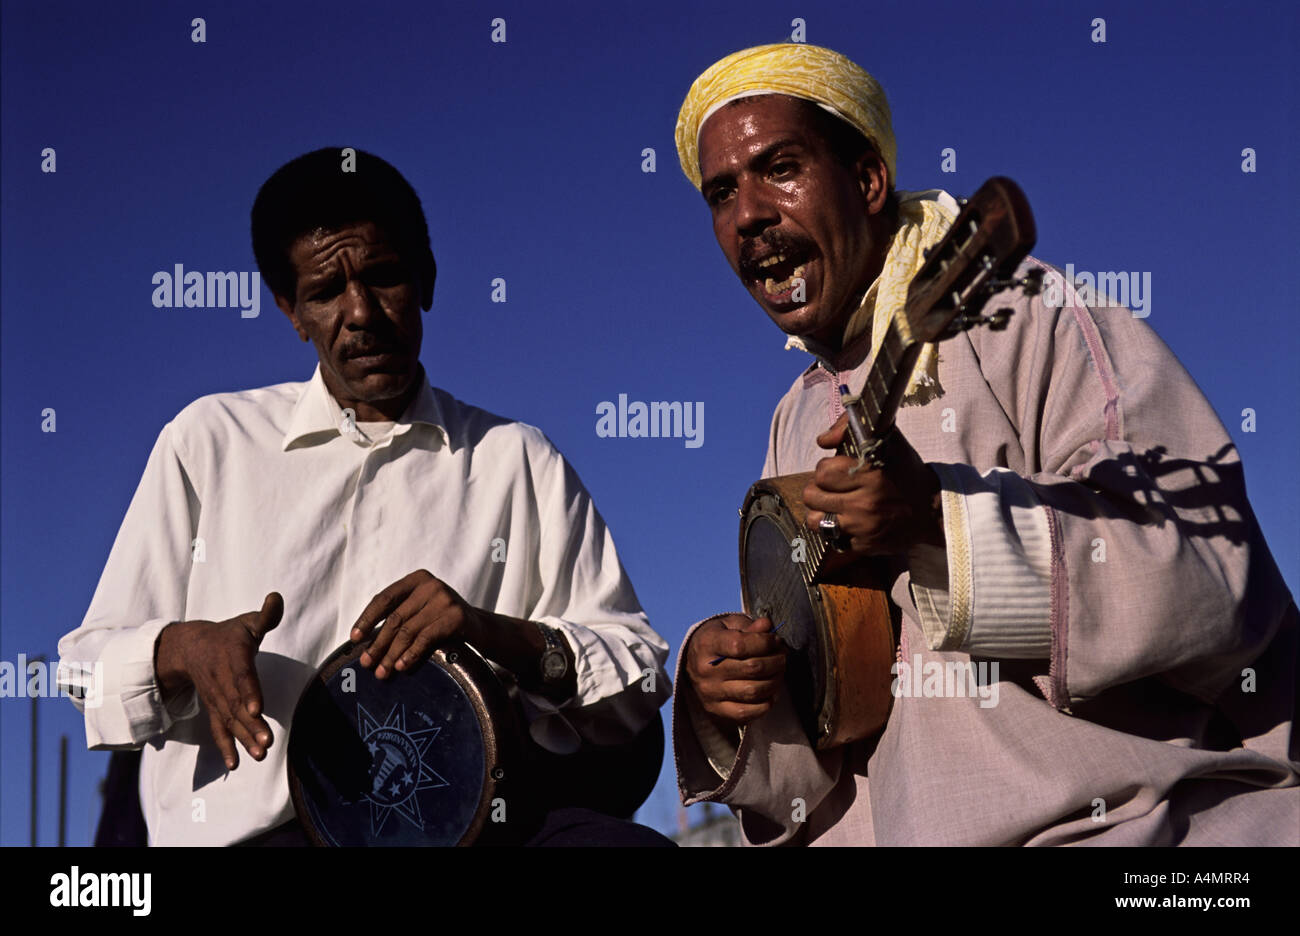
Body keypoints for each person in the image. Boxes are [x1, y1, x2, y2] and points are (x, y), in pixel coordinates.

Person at [671, 43, 1298, 845]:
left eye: (780, 168)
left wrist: (936, 522)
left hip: (1130, 829)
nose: (749, 213)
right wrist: (732, 684)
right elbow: (840, 709)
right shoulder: (793, 421)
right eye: (722, 192)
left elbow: (1215, 584)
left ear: (868, 182)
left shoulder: (1026, 319)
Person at [58, 148, 672, 846]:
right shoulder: (208, 441)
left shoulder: (516, 459)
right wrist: (181, 649)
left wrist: (487, 629)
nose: (361, 314)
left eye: (383, 277)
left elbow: (639, 669)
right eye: (325, 292)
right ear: (291, 310)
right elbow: (83, 665)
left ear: (427, 279)